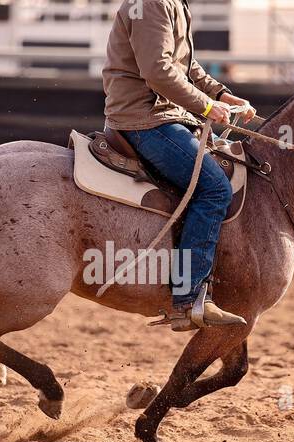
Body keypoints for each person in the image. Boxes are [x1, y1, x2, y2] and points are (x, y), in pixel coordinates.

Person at [103, 0, 254, 328]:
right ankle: (188, 297)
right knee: (214, 188)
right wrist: (205, 106)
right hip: (145, 119)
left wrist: (220, 94)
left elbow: (185, 64)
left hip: (161, 114)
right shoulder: (153, 3)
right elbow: (158, 70)